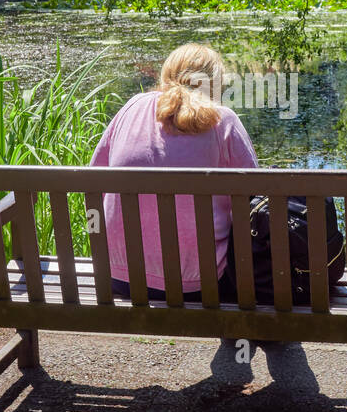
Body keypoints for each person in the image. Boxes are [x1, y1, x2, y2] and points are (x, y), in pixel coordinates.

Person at [90, 43, 257, 301]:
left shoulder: (131, 107)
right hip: (202, 285)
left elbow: (95, 178)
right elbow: (254, 196)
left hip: (120, 278)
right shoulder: (223, 121)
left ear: (165, 75)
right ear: (215, 84)